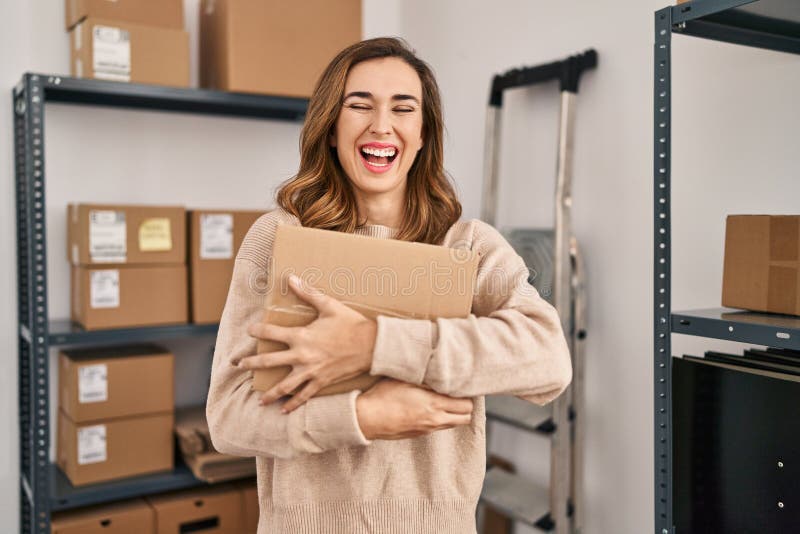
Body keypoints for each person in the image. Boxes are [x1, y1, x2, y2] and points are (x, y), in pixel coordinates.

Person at [206, 37, 572, 534]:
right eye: (359, 106)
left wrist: (374, 345)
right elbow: (229, 419)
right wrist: (361, 417)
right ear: (331, 128)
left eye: (404, 108)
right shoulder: (279, 238)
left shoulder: (468, 247)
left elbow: (548, 361)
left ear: (423, 134)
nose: (382, 125)